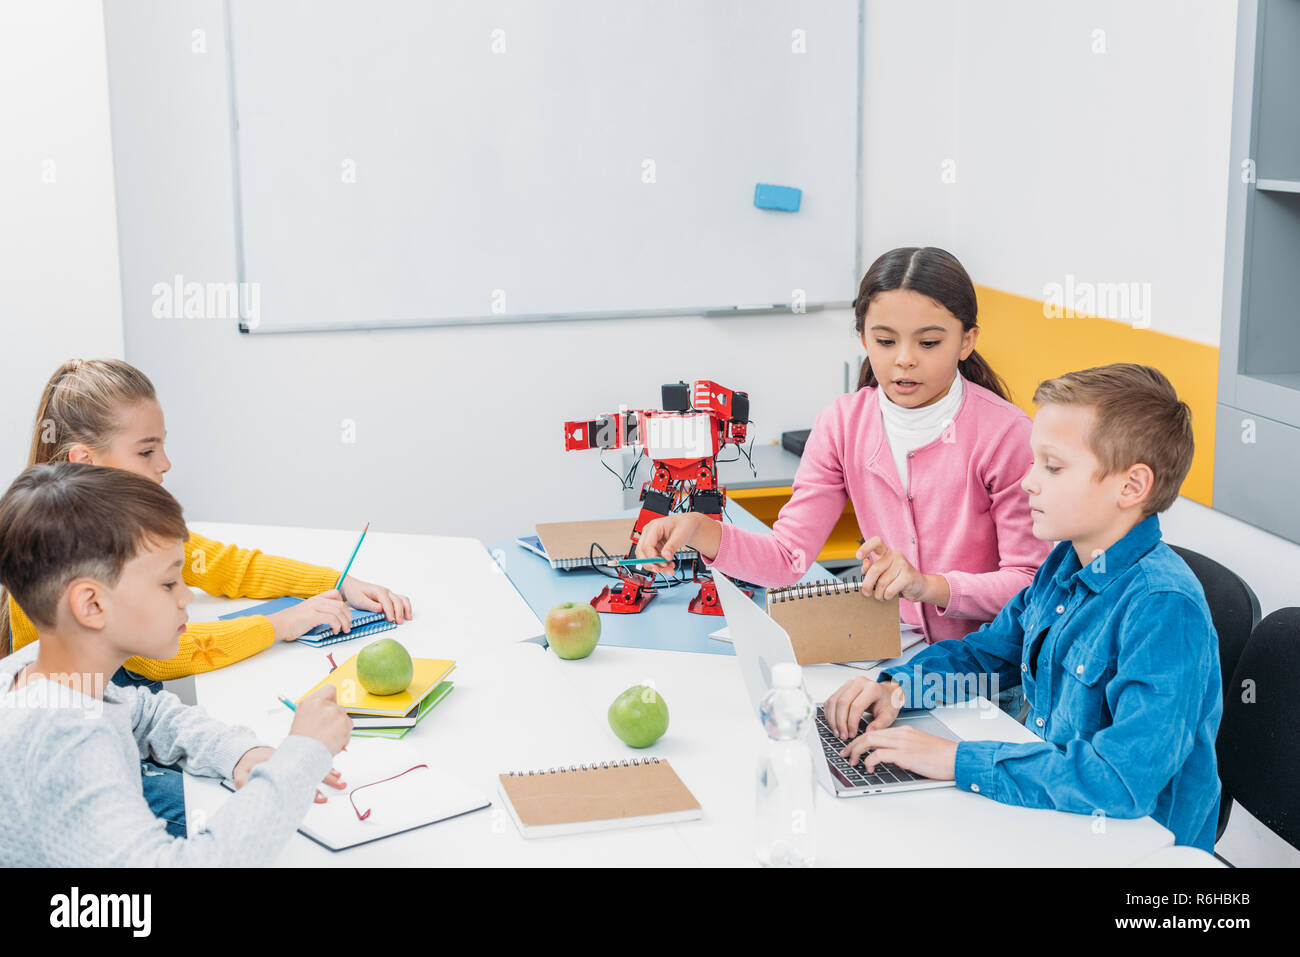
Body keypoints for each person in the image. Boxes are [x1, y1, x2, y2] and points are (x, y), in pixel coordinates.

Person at [824, 364, 1222, 852]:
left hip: (1134, 847)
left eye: (1052, 467)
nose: (1028, 482)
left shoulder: (1163, 609)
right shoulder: (1064, 562)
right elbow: (988, 659)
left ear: (1131, 487)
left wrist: (956, 760)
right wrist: (900, 690)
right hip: (1050, 810)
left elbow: (1121, 781)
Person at [637, 246, 1050, 646]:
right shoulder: (842, 423)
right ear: (863, 338)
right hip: (894, 654)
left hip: (990, 669)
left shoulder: (1007, 434)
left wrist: (929, 586)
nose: (904, 360)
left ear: (966, 341)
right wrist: (697, 528)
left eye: (928, 343)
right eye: (885, 341)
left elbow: (1030, 584)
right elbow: (786, 559)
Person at [0, 463, 353, 865]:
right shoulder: (66, 746)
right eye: (169, 583)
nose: (186, 597)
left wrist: (237, 753)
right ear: (92, 605)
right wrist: (301, 757)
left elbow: (142, 712)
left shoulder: (43, 670)